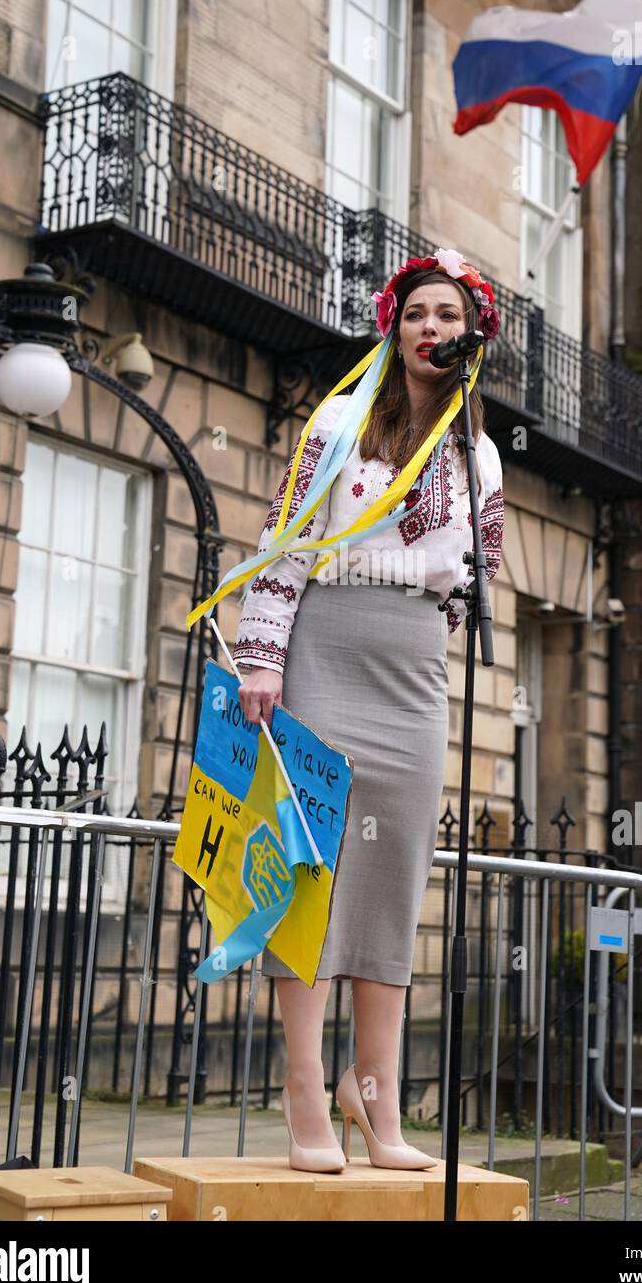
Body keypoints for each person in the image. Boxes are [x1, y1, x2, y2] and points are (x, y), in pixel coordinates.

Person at [232, 249, 505, 1171]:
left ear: (472, 339)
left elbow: (480, 574)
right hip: (327, 642)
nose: (434, 328)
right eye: (419, 313)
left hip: (416, 663)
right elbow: (286, 539)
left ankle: (376, 1098)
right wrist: (262, 656)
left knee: (393, 884)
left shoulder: (480, 453)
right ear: (395, 327)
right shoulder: (342, 421)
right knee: (316, 875)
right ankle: (305, 1086)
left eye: (450, 318)